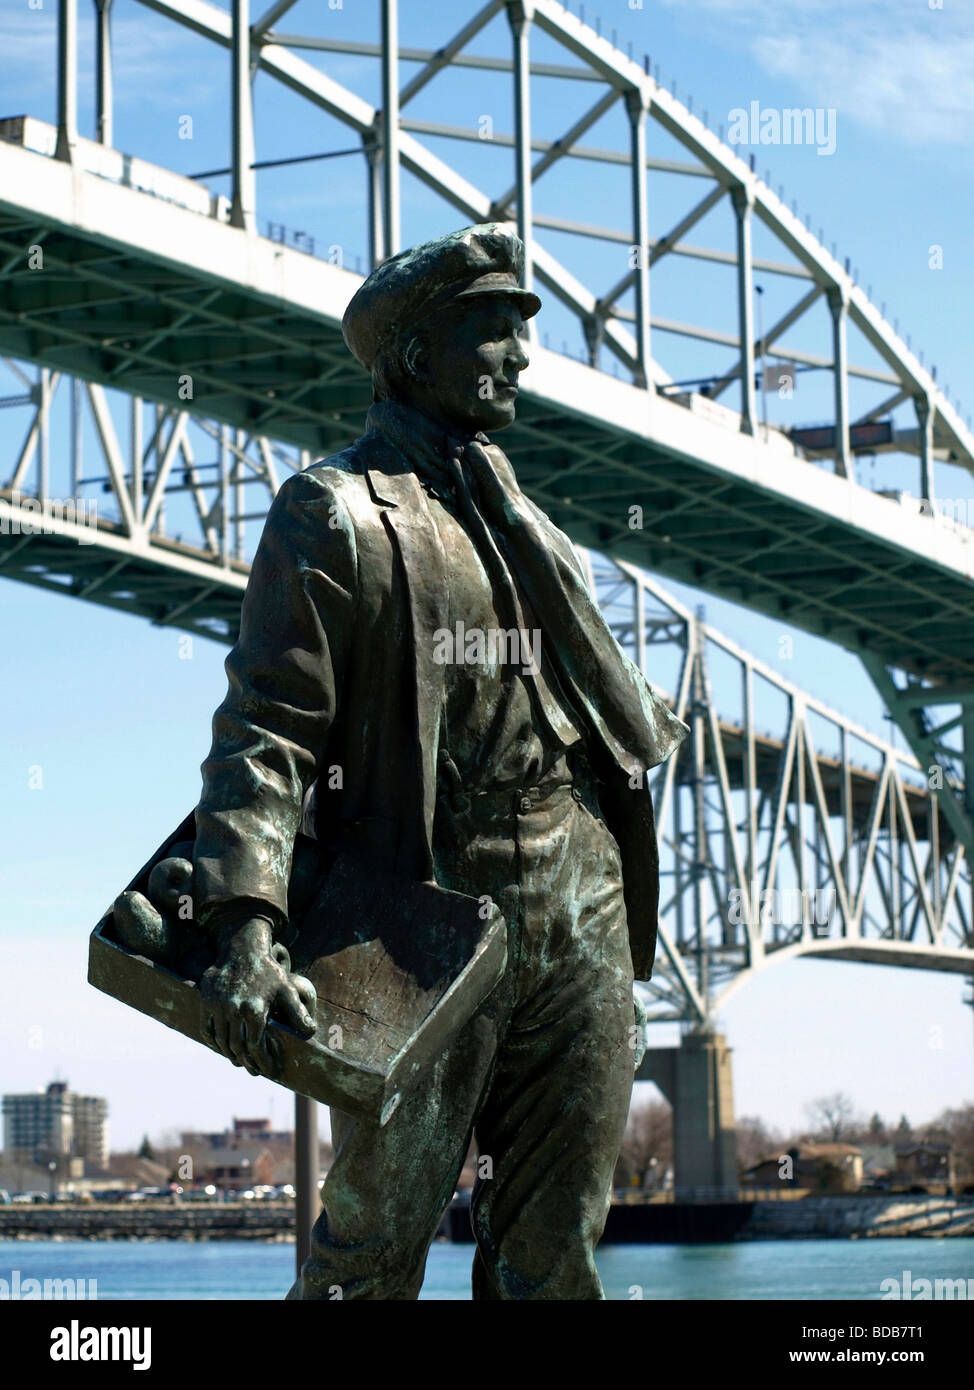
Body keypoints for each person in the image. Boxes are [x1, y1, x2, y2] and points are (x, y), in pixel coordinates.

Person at [192, 223, 687, 1299]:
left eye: (524, 330)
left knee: (553, 1254)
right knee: (373, 1249)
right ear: (416, 354)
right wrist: (244, 923)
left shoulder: (524, 520)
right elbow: (267, 729)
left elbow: (612, 717)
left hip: (584, 903)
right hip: (431, 915)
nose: (520, 356)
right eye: (493, 330)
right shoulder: (334, 515)